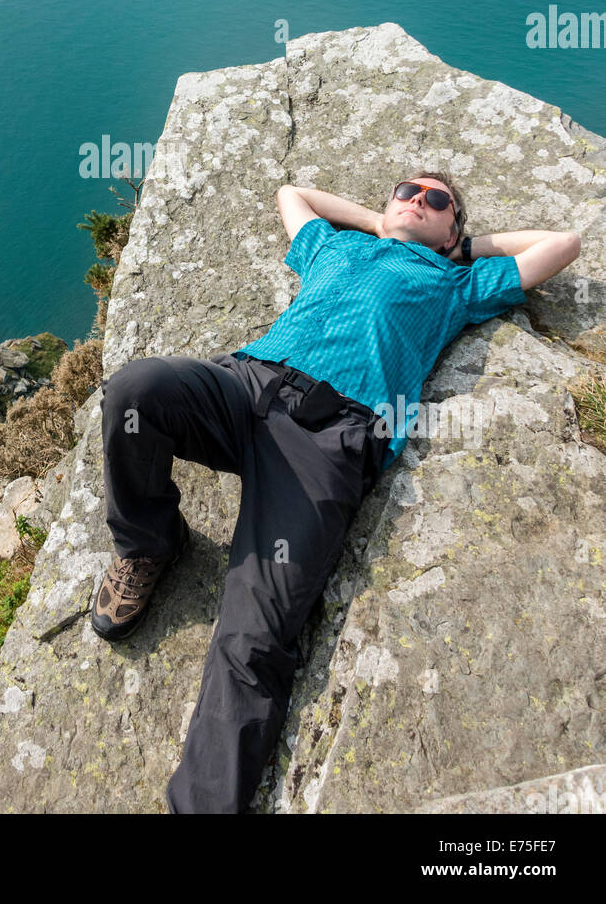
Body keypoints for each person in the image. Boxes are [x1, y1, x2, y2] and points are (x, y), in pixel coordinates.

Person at [90, 172, 582, 814]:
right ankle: (149, 543)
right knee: (135, 391)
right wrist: (379, 225)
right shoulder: (335, 247)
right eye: (408, 190)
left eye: (438, 202)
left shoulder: (456, 284)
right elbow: (293, 194)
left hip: (327, 439)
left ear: (453, 228)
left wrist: (463, 249)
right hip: (243, 387)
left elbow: (563, 242)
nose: (417, 201)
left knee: (255, 635)